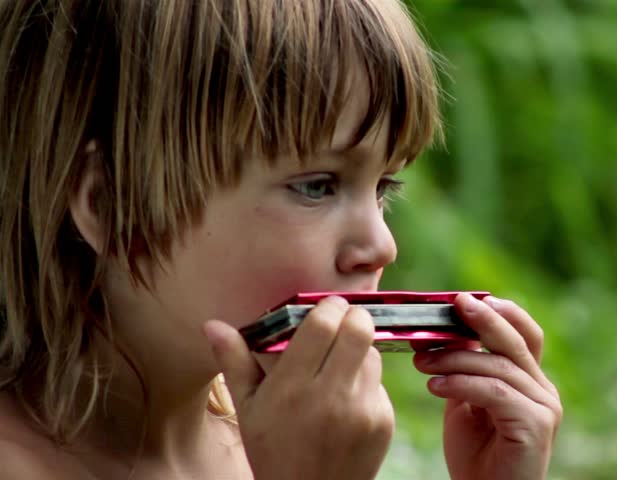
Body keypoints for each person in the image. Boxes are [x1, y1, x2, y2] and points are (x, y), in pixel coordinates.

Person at [0, 0, 563, 478]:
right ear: (111, 205)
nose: (381, 246)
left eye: (384, 186)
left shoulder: (280, 440)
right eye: (317, 185)